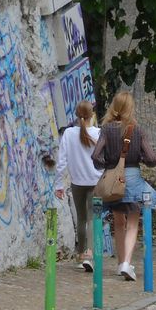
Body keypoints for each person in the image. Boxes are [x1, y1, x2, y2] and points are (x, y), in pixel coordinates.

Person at [91, 91, 156, 281]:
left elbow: (95, 156)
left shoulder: (106, 129)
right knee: (132, 223)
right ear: (130, 108)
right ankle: (125, 263)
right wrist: (150, 160)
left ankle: (121, 263)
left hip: (113, 181)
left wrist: (107, 166)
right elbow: (150, 158)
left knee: (118, 223)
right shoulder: (136, 130)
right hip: (132, 179)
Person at [55, 100, 103, 272]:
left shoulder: (68, 134)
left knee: (81, 219)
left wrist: (59, 184)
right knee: (92, 218)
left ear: (76, 115)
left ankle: (80, 254)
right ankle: (89, 255)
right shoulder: (99, 133)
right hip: (96, 181)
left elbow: (61, 162)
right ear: (93, 115)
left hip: (77, 183)